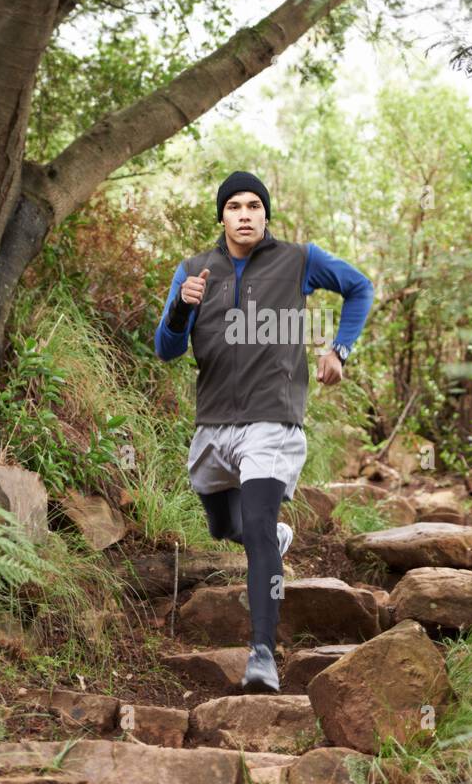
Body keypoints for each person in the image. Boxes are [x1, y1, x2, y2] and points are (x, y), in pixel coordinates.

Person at [153, 170, 374, 692]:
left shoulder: (299, 260)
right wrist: (182, 306)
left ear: (266, 214)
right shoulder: (193, 271)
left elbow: (359, 288)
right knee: (222, 526)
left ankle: (262, 655)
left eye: (255, 205)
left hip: (272, 419)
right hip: (213, 423)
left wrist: (338, 350)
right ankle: (272, 537)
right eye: (234, 206)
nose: (245, 214)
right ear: (222, 217)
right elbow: (165, 349)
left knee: (254, 529)